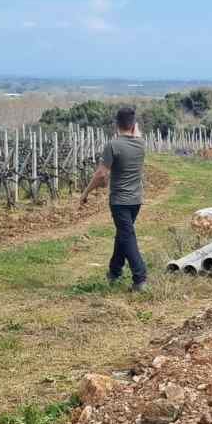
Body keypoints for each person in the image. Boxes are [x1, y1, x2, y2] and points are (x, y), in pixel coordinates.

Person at [81, 105, 148, 291]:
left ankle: (140, 278)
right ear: (134, 125)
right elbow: (136, 134)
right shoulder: (141, 144)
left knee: (127, 237)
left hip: (119, 201)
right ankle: (114, 272)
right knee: (123, 235)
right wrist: (133, 127)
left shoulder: (113, 145)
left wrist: (85, 193)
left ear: (116, 124)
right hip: (136, 200)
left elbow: (101, 175)